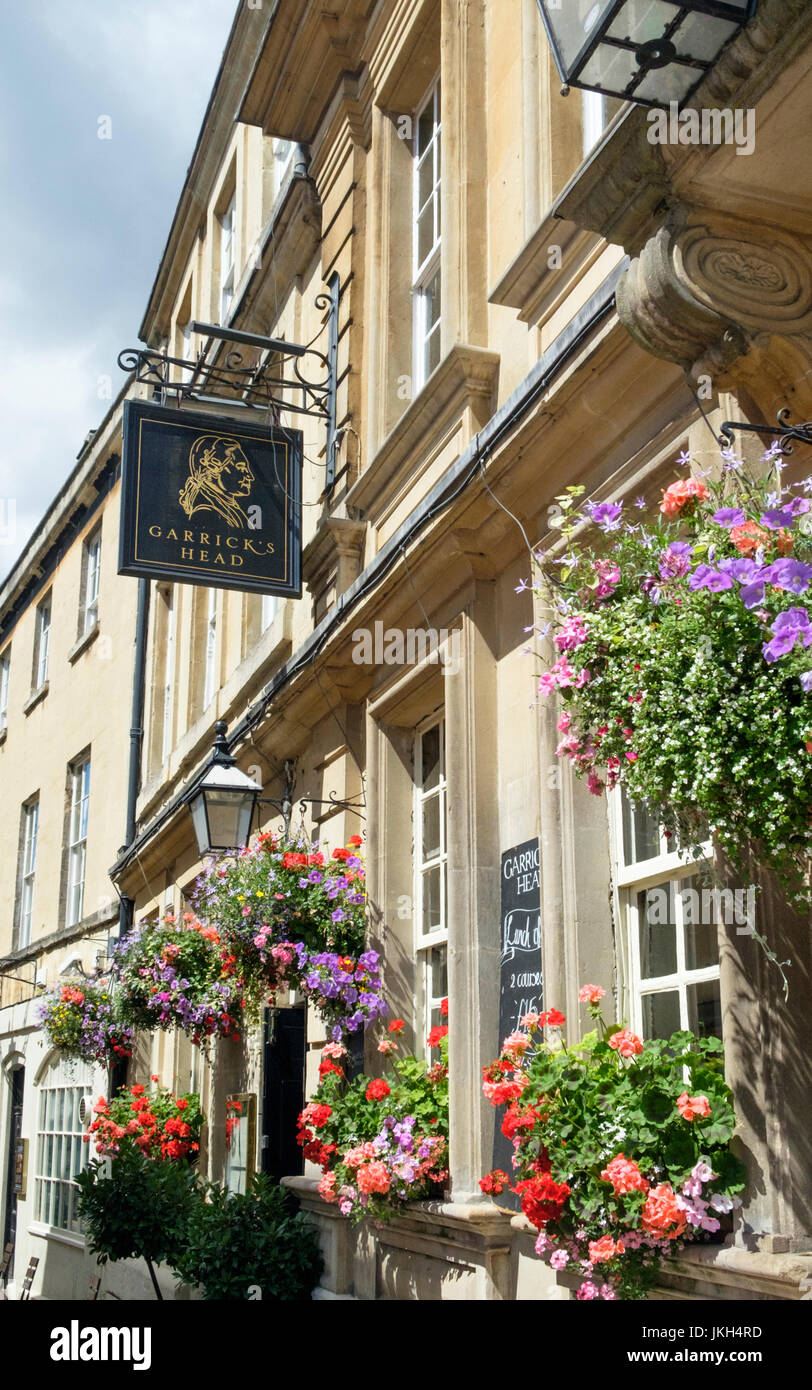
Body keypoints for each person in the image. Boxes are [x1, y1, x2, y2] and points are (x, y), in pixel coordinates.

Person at [178, 435, 254, 529]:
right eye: (241, 468)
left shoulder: (226, 505)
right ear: (214, 469)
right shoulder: (206, 513)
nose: (250, 477)